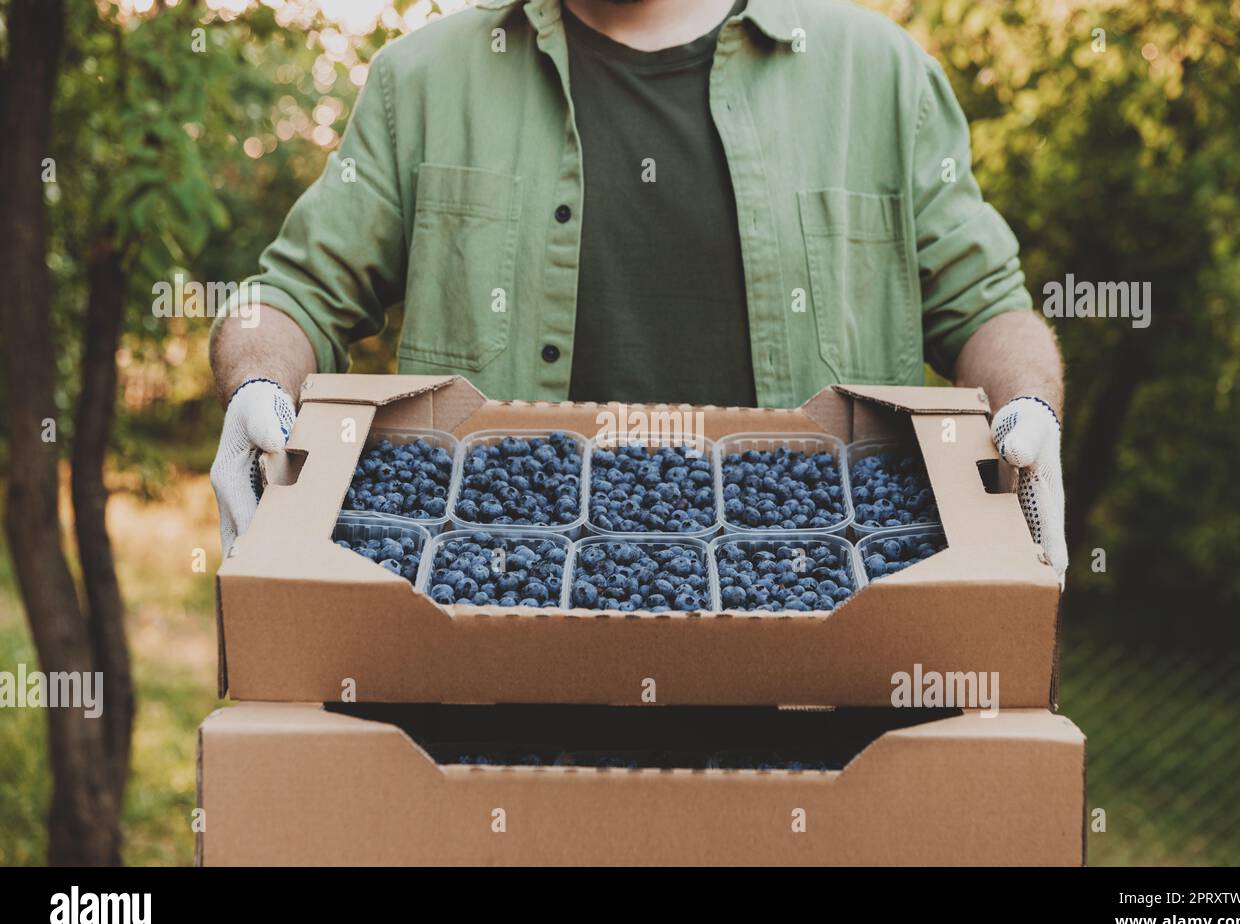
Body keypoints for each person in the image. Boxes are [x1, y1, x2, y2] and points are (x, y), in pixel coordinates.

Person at [210, 0, 1066, 584]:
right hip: (493, 626)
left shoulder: (878, 77)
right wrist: (257, 377)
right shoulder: (425, 81)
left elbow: (987, 307)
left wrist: (1029, 409)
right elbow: (293, 296)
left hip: (821, 631)